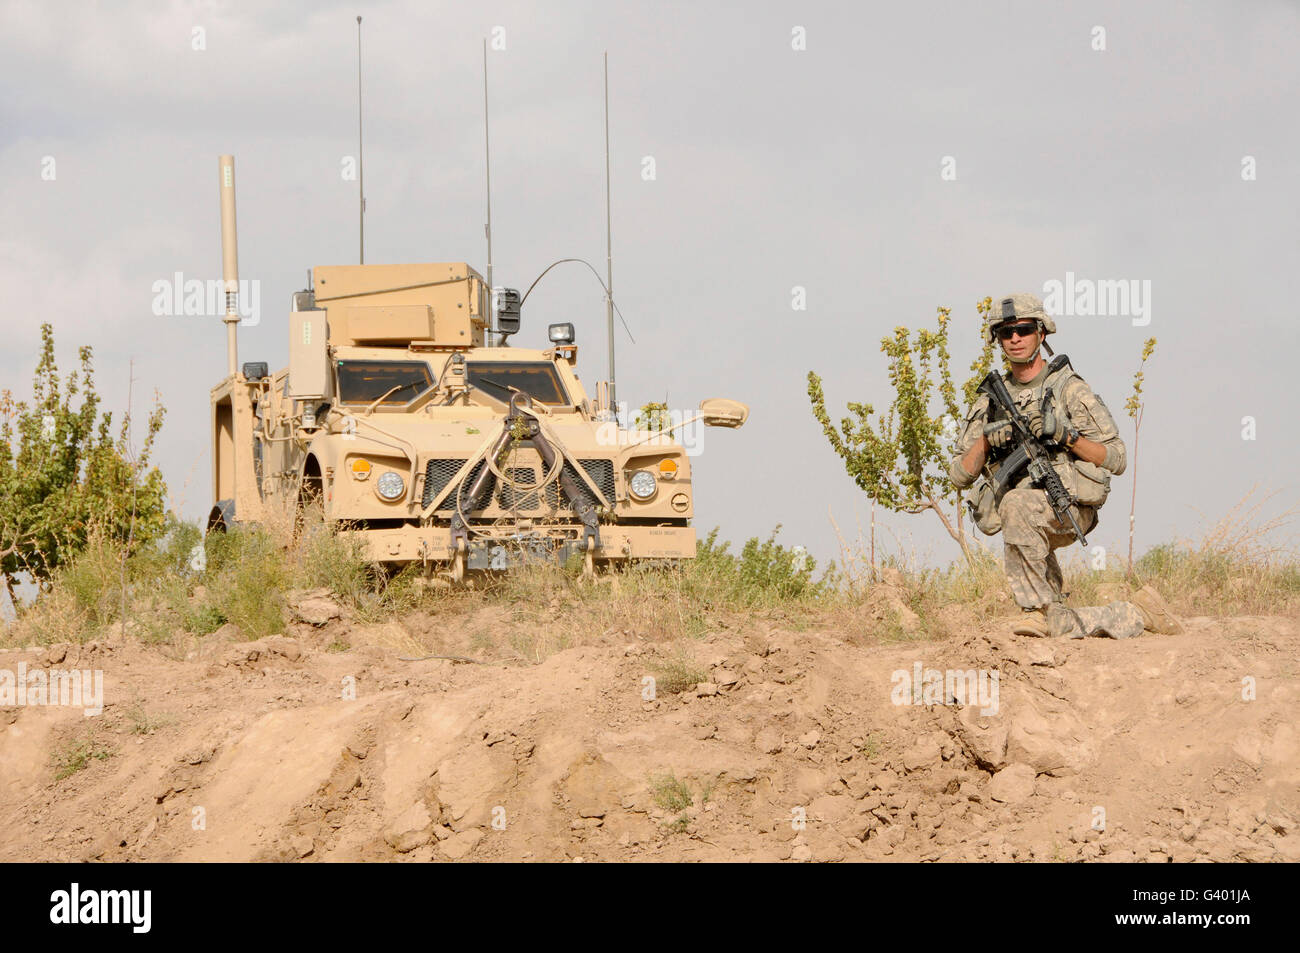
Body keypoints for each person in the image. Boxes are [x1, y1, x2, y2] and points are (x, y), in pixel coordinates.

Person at [948, 293, 1128, 637]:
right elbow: (959, 474)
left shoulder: (1068, 389)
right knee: (1057, 621)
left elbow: (1116, 458)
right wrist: (986, 441)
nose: (1015, 338)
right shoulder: (990, 399)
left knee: (1017, 505)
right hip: (1025, 515)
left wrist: (1067, 437)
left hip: (1070, 506)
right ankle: (1130, 616)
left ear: (1041, 333)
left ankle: (1031, 610)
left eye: (1024, 329)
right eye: (1006, 333)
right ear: (997, 340)